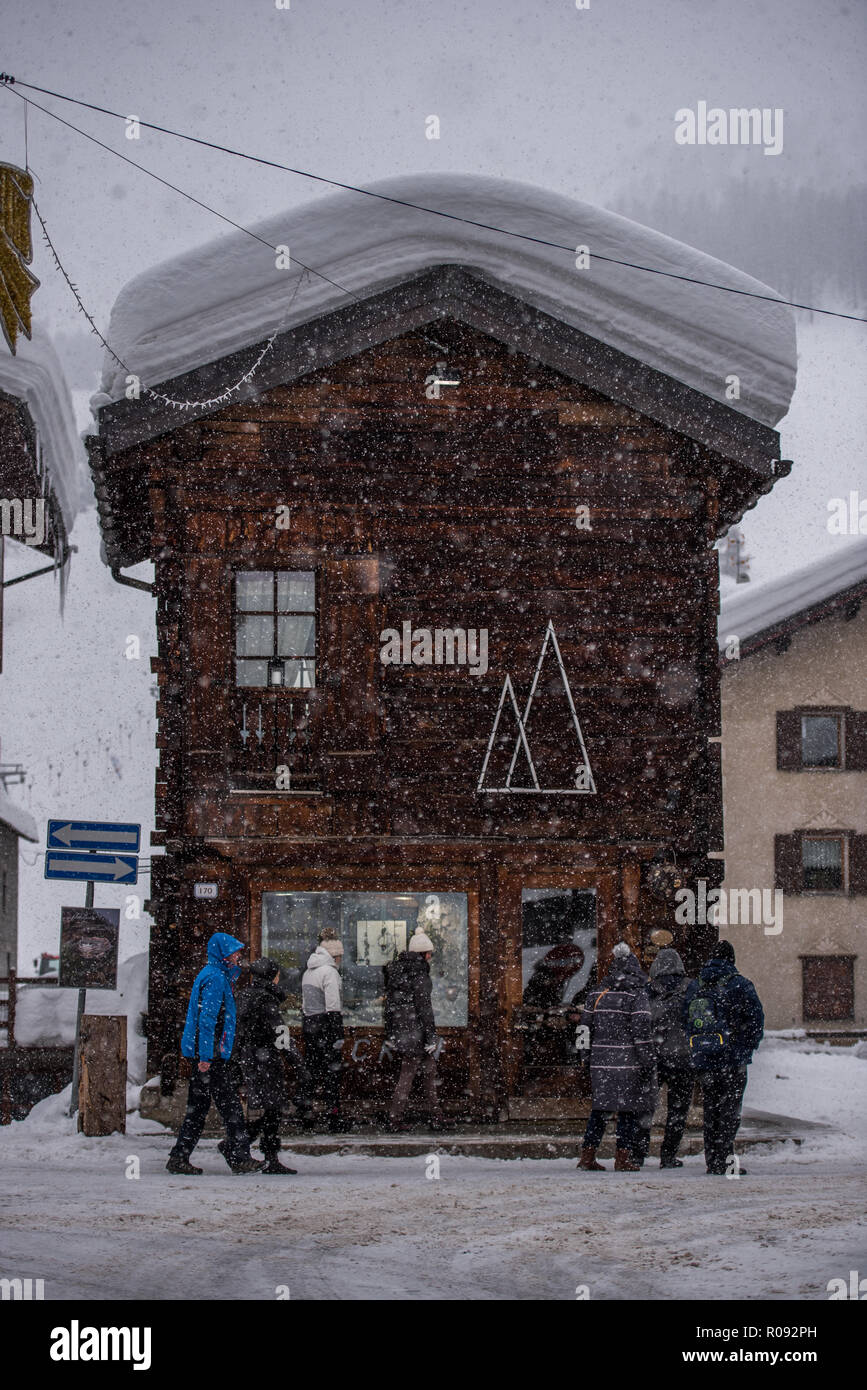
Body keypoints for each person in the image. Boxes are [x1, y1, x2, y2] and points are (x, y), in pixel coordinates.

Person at [166, 931, 263, 1175]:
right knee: (230, 1108)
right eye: (235, 951)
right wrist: (207, 1057)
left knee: (198, 1109)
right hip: (211, 1057)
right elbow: (207, 1020)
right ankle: (238, 1155)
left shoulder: (214, 974)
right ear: (223, 954)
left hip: (207, 1054)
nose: (239, 954)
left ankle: (180, 1156)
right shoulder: (217, 978)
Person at [683, 939, 764, 1176]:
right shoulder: (739, 985)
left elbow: (685, 1018)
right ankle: (726, 1160)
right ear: (732, 960)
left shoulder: (696, 986)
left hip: (705, 1058)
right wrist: (746, 1046)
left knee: (711, 1110)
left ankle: (712, 1160)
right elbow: (756, 1020)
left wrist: (699, 1045)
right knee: (729, 1112)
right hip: (732, 1060)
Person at [577, 942, 657, 1172]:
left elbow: (584, 1029)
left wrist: (585, 1057)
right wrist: (647, 1061)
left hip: (600, 1064)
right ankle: (623, 1157)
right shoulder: (636, 996)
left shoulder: (597, 995)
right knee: (628, 1111)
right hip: (628, 1063)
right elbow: (642, 1033)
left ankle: (587, 1155)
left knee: (600, 1110)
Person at [235, 957, 300, 1174]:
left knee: (269, 1107)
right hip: (264, 1059)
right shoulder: (266, 999)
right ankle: (264, 1154)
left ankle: (240, 1143)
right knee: (273, 1108)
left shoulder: (245, 995)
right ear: (273, 976)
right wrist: (297, 1062)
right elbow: (280, 1033)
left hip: (250, 1058)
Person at [383, 926, 446, 1132]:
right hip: (416, 1031)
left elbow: (389, 1006)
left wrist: (391, 1033)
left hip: (403, 1031)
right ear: (424, 954)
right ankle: (396, 1118)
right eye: (429, 953)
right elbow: (424, 1008)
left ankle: (435, 1115)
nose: (430, 956)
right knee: (412, 1075)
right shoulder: (420, 975)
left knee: (425, 1073)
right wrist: (430, 1037)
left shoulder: (397, 972)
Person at [649, 947, 695, 1169]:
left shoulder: (649, 990)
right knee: (678, 1111)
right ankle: (668, 1155)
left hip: (656, 1058)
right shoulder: (691, 989)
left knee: (646, 1108)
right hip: (684, 1058)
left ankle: (637, 1152)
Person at [301, 935, 345, 1132]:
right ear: (335, 956)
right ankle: (333, 1115)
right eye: (340, 956)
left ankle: (306, 1112)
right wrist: (338, 1034)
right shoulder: (330, 973)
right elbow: (333, 1006)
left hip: (309, 1025)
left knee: (310, 1071)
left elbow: (305, 1005)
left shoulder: (308, 971)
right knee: (332, 1075)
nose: (341, 960)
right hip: (326, 1026)